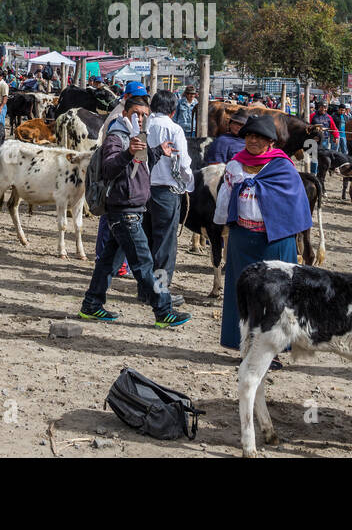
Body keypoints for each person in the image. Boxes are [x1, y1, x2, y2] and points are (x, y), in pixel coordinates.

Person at [78, 95, 189, 328]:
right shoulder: (117, 136)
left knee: (107, 263)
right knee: (145, 264)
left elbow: (139, 163)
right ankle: (164, 311)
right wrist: (128, 152)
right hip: (125, 210)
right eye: (136, 113)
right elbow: (109, 167)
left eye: (143, 114)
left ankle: (91, 305)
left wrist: (158, 151)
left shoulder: (134, 137)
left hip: (129, 207)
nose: (140, 118)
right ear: (125, 113)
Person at [213, 114, 314, 350]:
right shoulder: (235, 165)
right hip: (241, 239)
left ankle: (272, 350)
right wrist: (221, 225)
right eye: (249, 136)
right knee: (243, 294)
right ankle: (244, 346)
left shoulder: (282, 167)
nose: (253, 141)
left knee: (275, 296)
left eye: (259, 137)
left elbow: (295, 203)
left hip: (275, 241)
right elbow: (225, 197)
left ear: (271, 142)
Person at [145, 90, 194, 304]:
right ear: (173, 111)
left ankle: (145, 289)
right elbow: (183, 164)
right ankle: (160, 292)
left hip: (142, 190)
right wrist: (189, 181)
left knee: (145, 241)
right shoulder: (174, 129)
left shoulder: (142, 125)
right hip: (166, 192)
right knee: (165, 245)